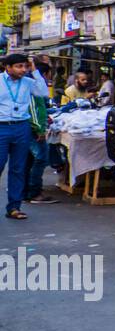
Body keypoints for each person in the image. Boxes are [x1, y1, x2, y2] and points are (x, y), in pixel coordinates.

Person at [0, 54, 49, 220]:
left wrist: (34, 70)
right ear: (7, 67)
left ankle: (14, 207)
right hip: (2, 126)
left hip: (22, 127)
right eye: (18, 67)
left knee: (18, 168)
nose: (23, 70)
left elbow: (43, 93)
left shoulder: (28, 82)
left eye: (25, 66)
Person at [25, 60, 55, 204]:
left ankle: (26, 191)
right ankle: (34, 192)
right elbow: (33, 110)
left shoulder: (31, 84)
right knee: (41, 158)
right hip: (33, 129)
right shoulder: (33, 85)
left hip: (30, 128)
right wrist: (39, 129)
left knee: (30, 159)